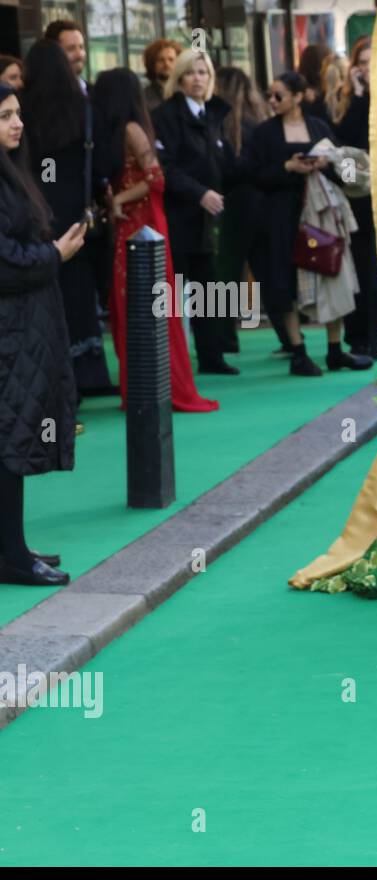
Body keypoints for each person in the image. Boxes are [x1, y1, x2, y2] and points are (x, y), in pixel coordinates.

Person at [91, 68, 219, 412]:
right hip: (130, 222)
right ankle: (141, 387)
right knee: (128, 303)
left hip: (144, 221)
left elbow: (156, 178)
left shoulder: (132, 130)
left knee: (146, 302)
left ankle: (163, 386)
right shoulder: (118, 131)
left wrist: (119, 199)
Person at [0, 82, 86, 586]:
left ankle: (11, 546)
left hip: (23, 327)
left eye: (17, 113)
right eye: (5, 115)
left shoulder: (13, 171)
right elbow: (5, 262)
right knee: (9, 439)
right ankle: (12, 555)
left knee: (12, 435)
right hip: (10, 331)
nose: (17, 123)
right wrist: (55, 254)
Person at [249, 71, 370, 375]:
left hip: (321, 213)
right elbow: (251, 174)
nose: (272, 101)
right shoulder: (264, 133)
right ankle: (298, 351)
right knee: (284, 280)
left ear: (298, 97)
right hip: (281, 216)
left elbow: (343, 165)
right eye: (269, 95)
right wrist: (287, 167)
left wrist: (325, 163)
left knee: (331, 272)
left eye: (278, 95)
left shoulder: (318, 126)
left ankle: (335, 349)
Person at [21, 40, 114, 398]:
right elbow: (103, 162)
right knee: (79, 291)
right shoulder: (84, 108)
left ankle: (53, 374)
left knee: (46, 288)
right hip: (76, 210)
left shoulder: (24, 109)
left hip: (37, 207)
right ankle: (88, 372)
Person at [152, 47, 239, 375]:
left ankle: (211, 356)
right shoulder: (165, 116)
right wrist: (200, 193)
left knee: (208, 288)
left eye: (203, 72)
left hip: (207, 219)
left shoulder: (213, 115)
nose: (197, 79)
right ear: (178, 79)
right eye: (190, 72)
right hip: (176, 215)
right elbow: (166, 168)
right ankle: (170, 363)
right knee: (173, 291)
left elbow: (226, 164)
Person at [214, 66, 279, 351]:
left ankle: (225, 338)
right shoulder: (261, 119)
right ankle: (289, 335)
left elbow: (227, 166)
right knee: (268, 271)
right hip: (264, 201)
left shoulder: (222, 123)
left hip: (233, 202)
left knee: (227, 272)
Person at [334, 36, 377, 359]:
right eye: (362, 63)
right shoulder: (350, 102)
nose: (367, 68)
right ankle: (359, 337)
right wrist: (359, 94)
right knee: (361, 266)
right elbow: (347, 144)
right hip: (360, 196)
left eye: (371, 61)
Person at [43, 19, 87, 93]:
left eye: (81, 47)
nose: (79, 55)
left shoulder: (94, 93)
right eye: (71, 49)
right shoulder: (44, 95)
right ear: (53, 53)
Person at [142, 38, 181, 112]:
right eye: (161, 60)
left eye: (171, 59)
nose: (167, 64)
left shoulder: (186, 92)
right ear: (152, 64)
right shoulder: (144, 97)